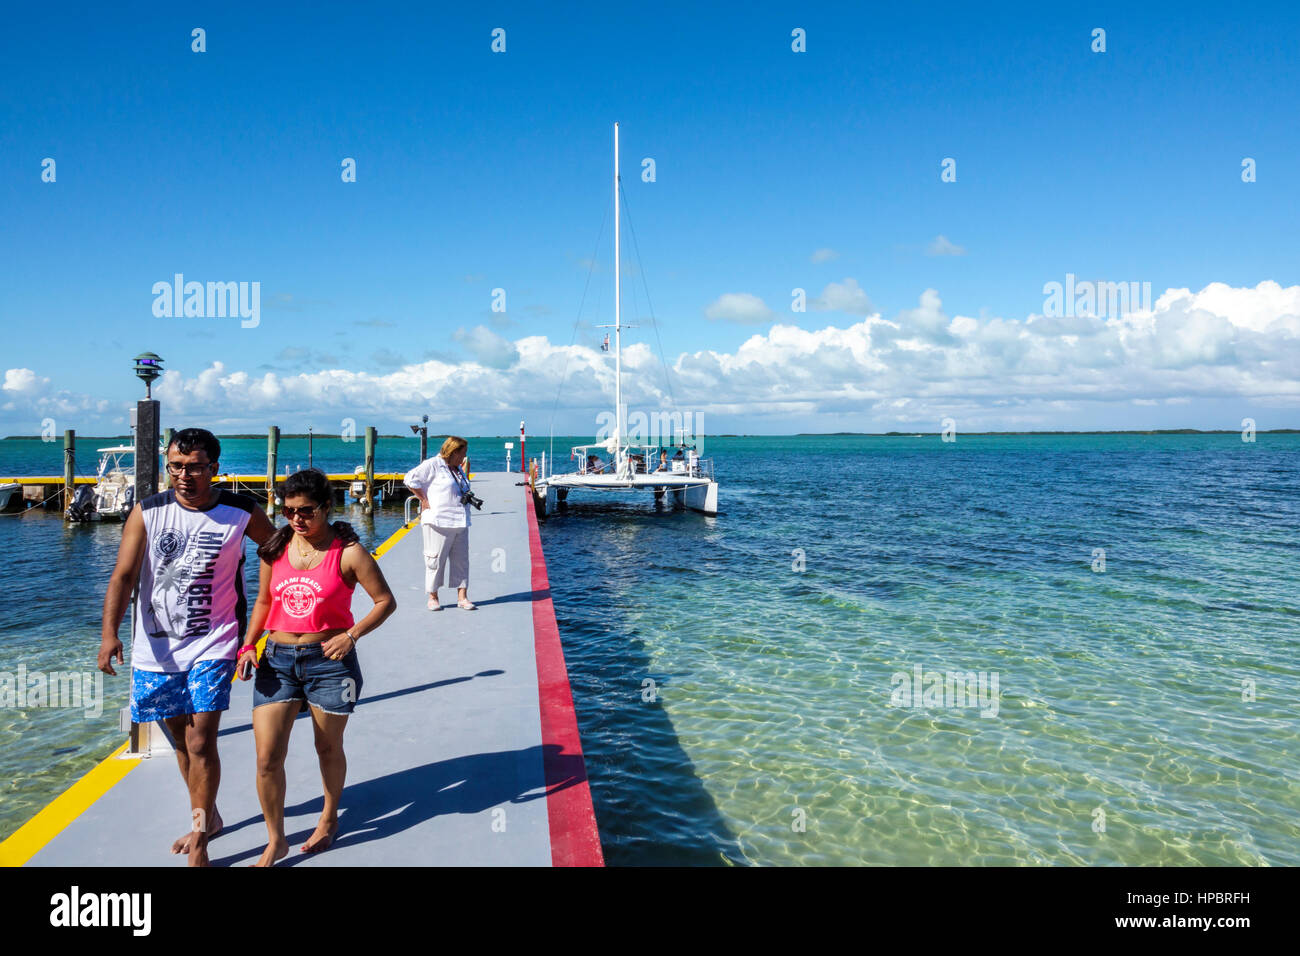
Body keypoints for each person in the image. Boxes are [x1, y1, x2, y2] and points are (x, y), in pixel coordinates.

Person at [95, 428, 359, 866]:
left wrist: (337, 538)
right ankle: (210, 816)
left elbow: (285, 545)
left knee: (200, 744)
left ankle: (199, 838)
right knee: (181, 744)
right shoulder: (147, 512)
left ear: (214, 468)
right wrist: (109, 634)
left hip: (215, 643)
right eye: (176, 466)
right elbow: (123, 576)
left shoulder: (240, 511)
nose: (184, 475)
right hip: (155, 650)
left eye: (195, 466)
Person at [238, 469, 395, 866]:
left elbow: (384, 602)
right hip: (276, 661)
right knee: (267, 757)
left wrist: (352, 635)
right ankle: (276, 838)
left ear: (326, 507)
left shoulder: (350, 552)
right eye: (289, 511)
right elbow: (262, 603)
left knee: (327, 747)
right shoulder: (275, 549)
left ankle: (328, 818)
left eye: (306, 511)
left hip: (329, 663)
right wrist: (248, 646)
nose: (296, 519)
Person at [403, 436, 476, 611]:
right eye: (462, 453)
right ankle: (433, 596)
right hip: (438, 521)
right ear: (453, 451)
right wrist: (423, 499)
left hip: (460, 520)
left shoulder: (457, 469)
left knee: (462, 561)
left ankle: (462, 597)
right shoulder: (434, 464)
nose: (464, 457)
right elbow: (410, 478)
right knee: (435, 560)